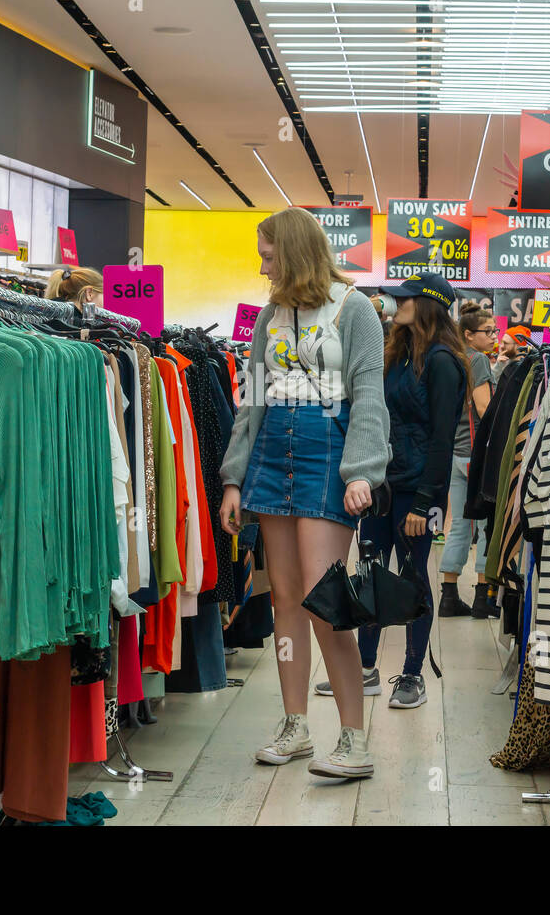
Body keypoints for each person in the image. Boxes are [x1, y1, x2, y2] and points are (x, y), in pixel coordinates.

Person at [219, 207, 390, 778]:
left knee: (325, 604)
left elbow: (369, 395)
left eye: (268, 254)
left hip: (327, 456)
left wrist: (363, 470)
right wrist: (234, 478)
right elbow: (253, 400)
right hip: (273, 454)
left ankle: (353, 738)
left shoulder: (354, 308)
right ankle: (295, 726)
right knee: (285, 601)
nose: (262, 264)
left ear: (294, 253)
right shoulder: (272, 315)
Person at [316, 272, 467, 710]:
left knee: (415, 575)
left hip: (420, 492)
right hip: (384, 484)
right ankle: (365, 668)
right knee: (371, 571)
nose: (394, 302)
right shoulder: (396, 354)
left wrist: (425, 502)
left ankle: (413, 673)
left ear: (427, 304)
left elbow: (442, 440)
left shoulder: (442, 362)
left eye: (405, 297)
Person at [439, 302, 499, 619]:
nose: (494, 337)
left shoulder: (451, 358)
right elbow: (484, 408)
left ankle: (449, 596)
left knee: (460, 527)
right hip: (477, 455)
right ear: (468, 334)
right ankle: (482, 597)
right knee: (486, 526)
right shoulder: (478, 361)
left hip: (454, 452)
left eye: (495, 331)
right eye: (488, 332)